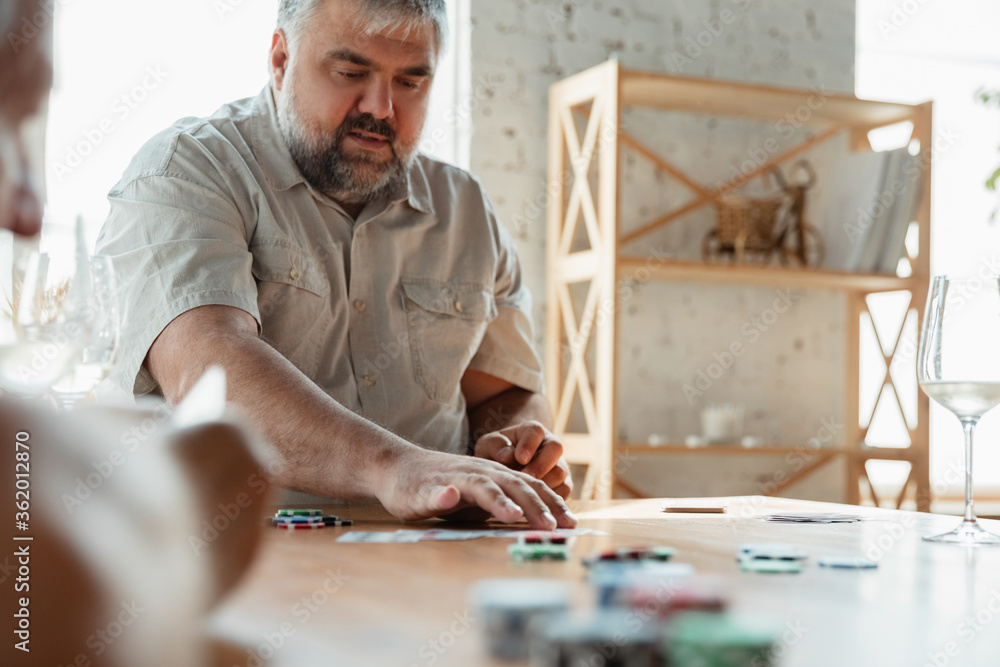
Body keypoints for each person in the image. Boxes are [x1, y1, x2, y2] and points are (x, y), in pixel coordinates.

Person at [96, 0, 577, 529]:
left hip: (435, 566)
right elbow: (209, 370)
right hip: (236, 561)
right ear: (280, 59)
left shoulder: (465, 208)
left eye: (411, 82)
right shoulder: (186, 171)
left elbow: (506, 391)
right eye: (351, 72)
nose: (382, 107)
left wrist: (514, 444)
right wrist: (396, 467)